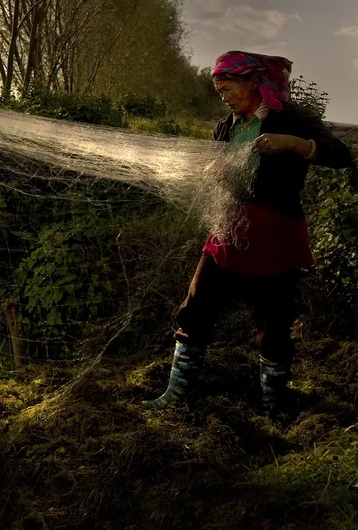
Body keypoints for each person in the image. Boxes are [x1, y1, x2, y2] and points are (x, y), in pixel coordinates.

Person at [144, 51, 354, 415]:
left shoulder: (293, 118)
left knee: (273, 322)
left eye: (228, 87)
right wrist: (215, 172)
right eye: (218, 89)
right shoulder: (225, 127)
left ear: (255, 81)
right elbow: (227, 172)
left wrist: (293, 144)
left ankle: (274, 407)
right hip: (228, 230)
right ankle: (176, 395)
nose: (223, 95)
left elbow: (340, 154)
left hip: (275, 234)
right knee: (196, 307)